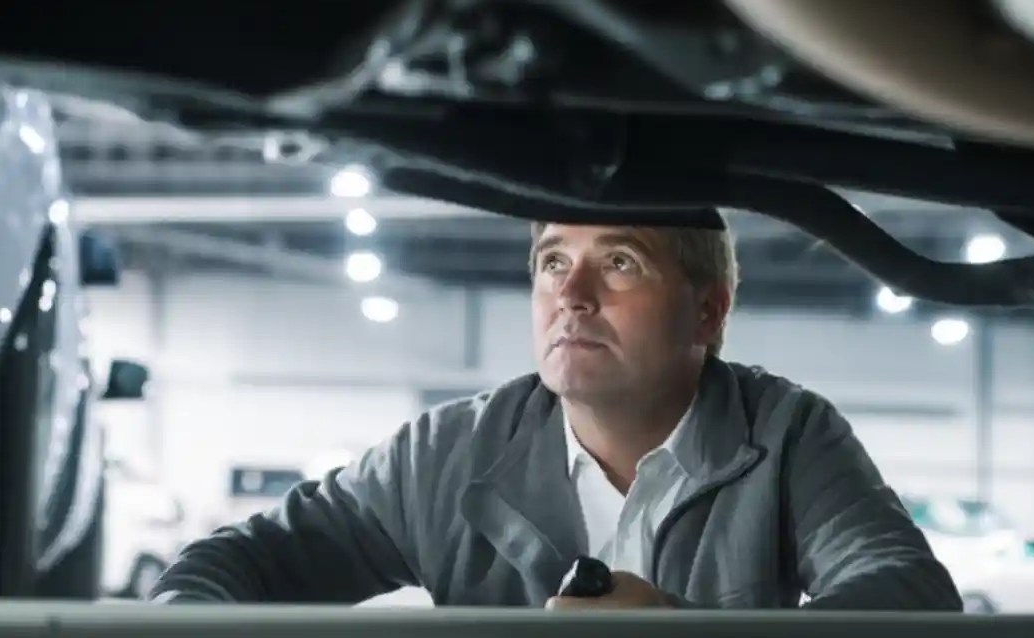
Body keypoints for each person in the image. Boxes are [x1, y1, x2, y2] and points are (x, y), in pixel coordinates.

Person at [149, 209, 962, 610]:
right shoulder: (446, 453)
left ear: (707, 315)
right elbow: (243, 563)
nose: (569, 296)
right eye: (550, 263)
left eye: (618, 261)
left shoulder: (786, 436)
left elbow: (906, 595)